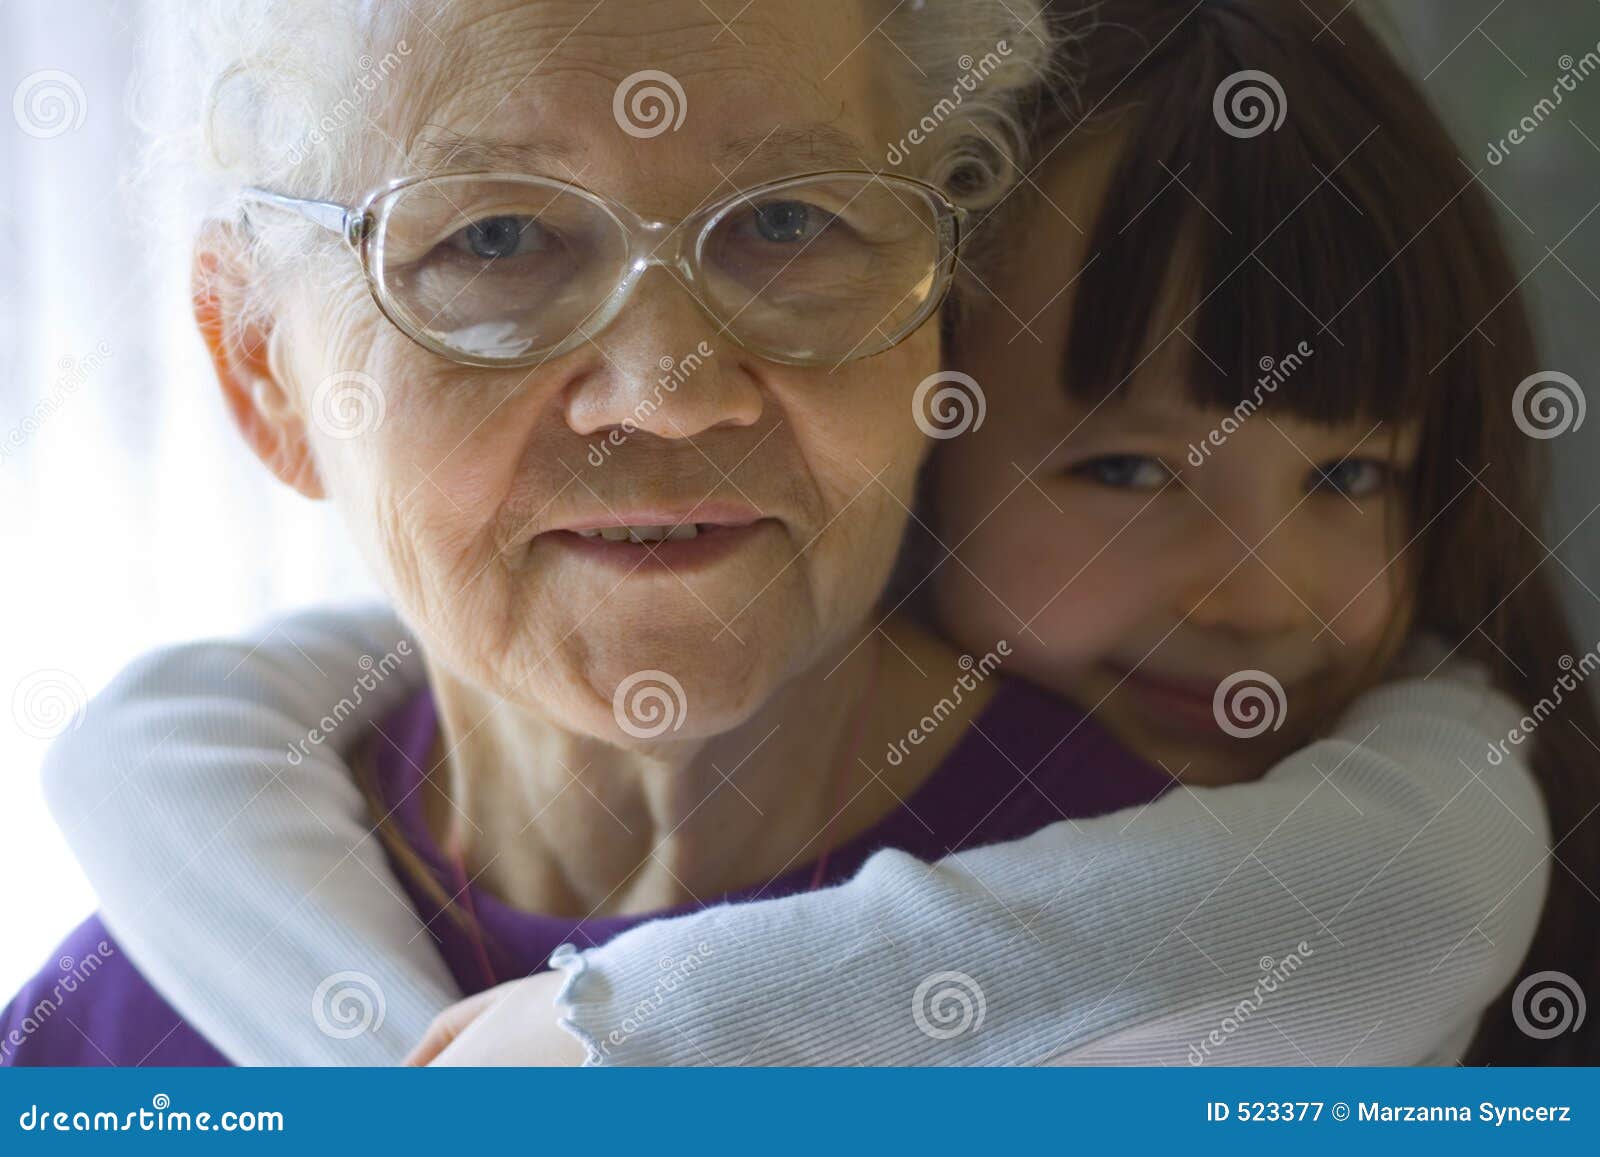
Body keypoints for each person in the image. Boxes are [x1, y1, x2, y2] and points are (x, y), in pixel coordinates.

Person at [19, 0, 1595, 1068]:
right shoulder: (111, 1023)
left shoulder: (1216, 984)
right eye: (491, 236)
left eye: (790, 223)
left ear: (941, 331)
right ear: (260, 373)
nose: (674, 391)